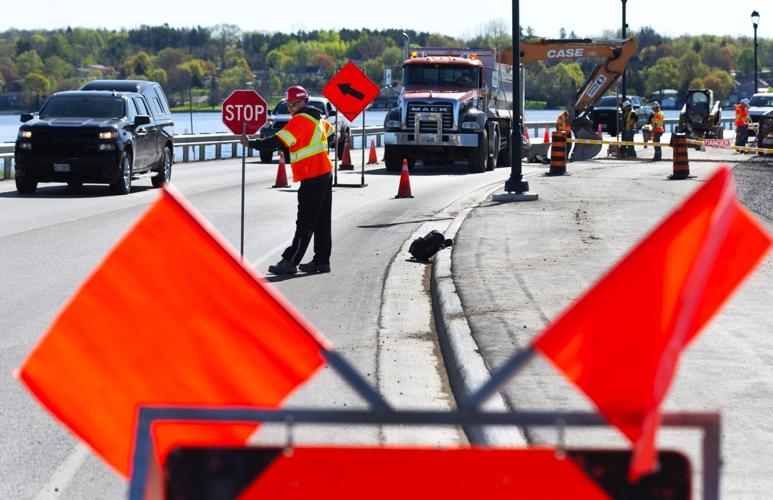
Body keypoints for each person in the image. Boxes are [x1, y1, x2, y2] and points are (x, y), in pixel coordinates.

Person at [241, 85, 333, 275]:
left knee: (305, 222)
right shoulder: (318, 118)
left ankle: (290, 262)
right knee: (322, 221)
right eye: (288, 105)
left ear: (303, 102)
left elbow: (276, 141)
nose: (290, 108)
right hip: (324, 173)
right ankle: (322, 261)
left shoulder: (300, 120)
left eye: (293, 104)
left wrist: (251, 143)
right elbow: (331, 134)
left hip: (312, 176)